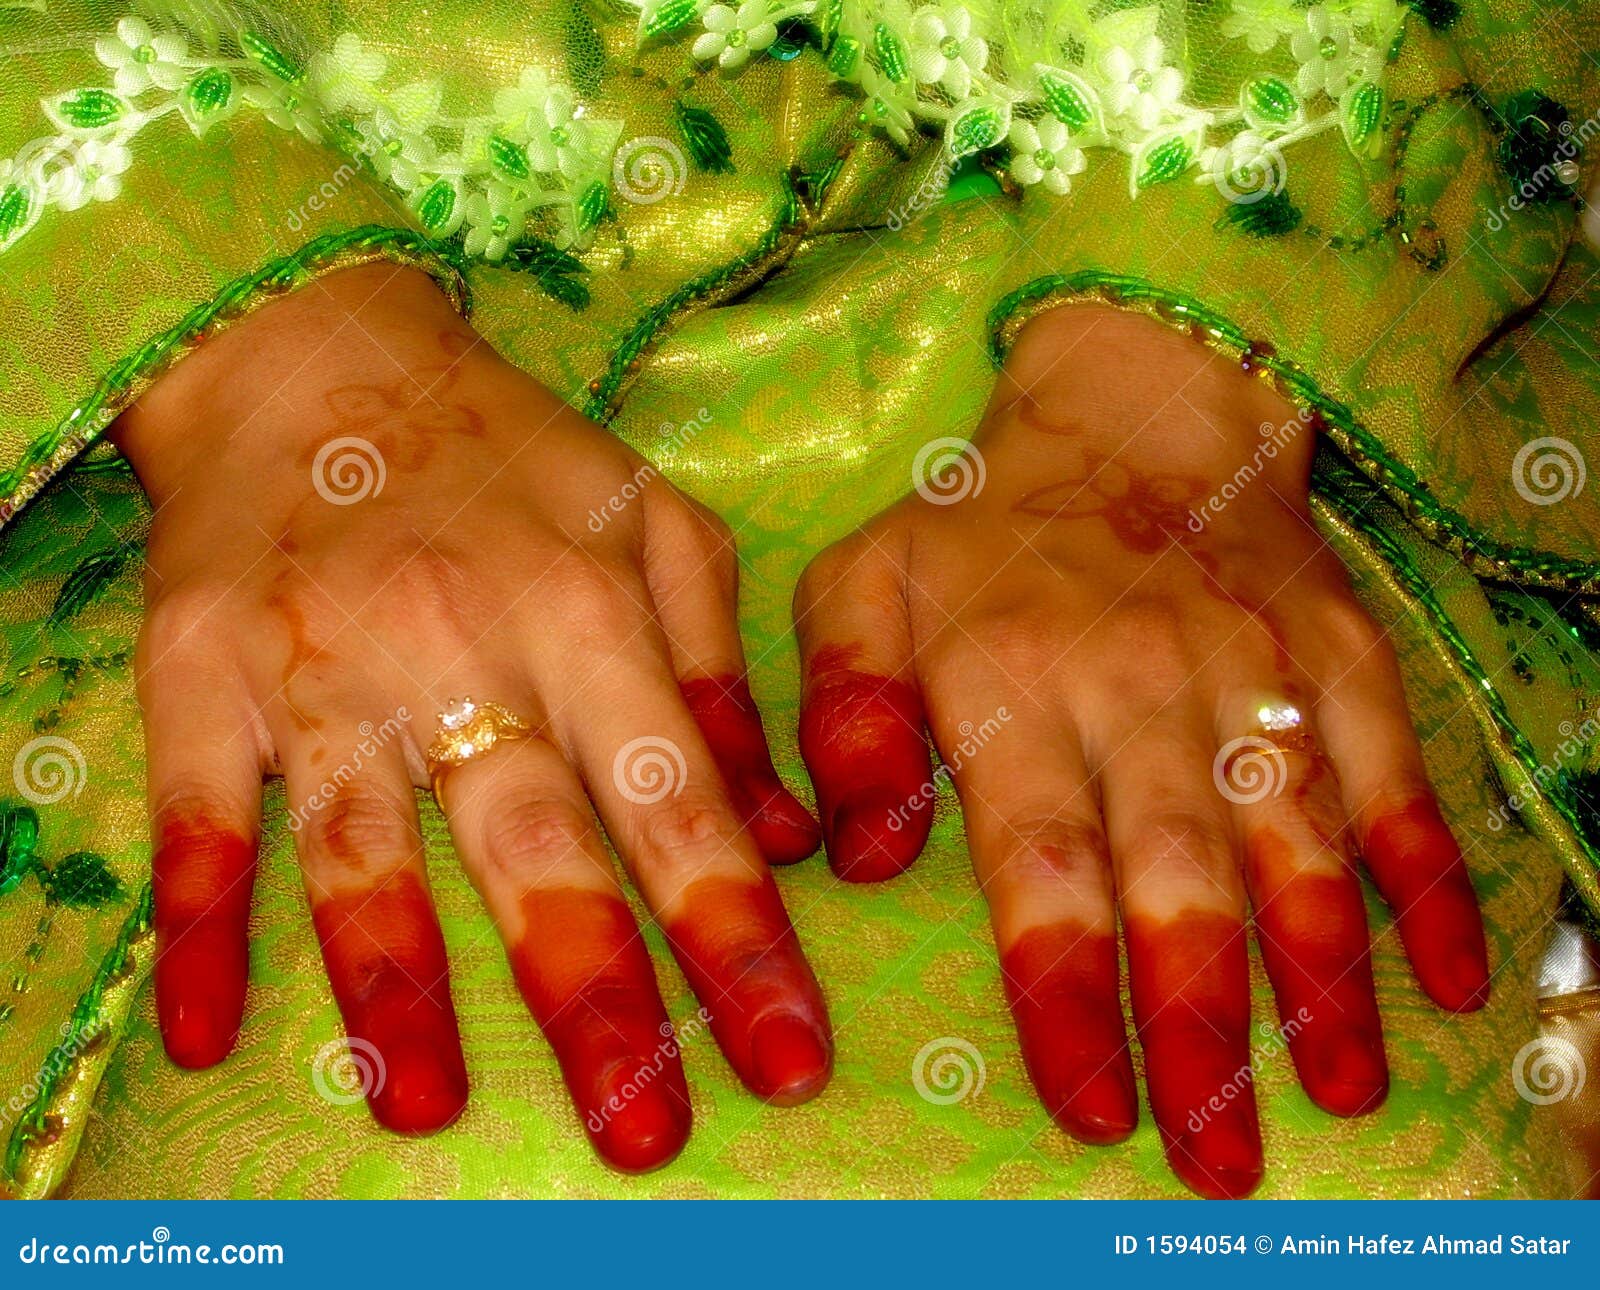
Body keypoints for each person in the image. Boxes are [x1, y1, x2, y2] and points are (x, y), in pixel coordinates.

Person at [0, 0, 1593, 1200]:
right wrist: (278, 378)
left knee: (1340, 1171)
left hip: (1168, 315)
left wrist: (1174, 393)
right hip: (213, 339)